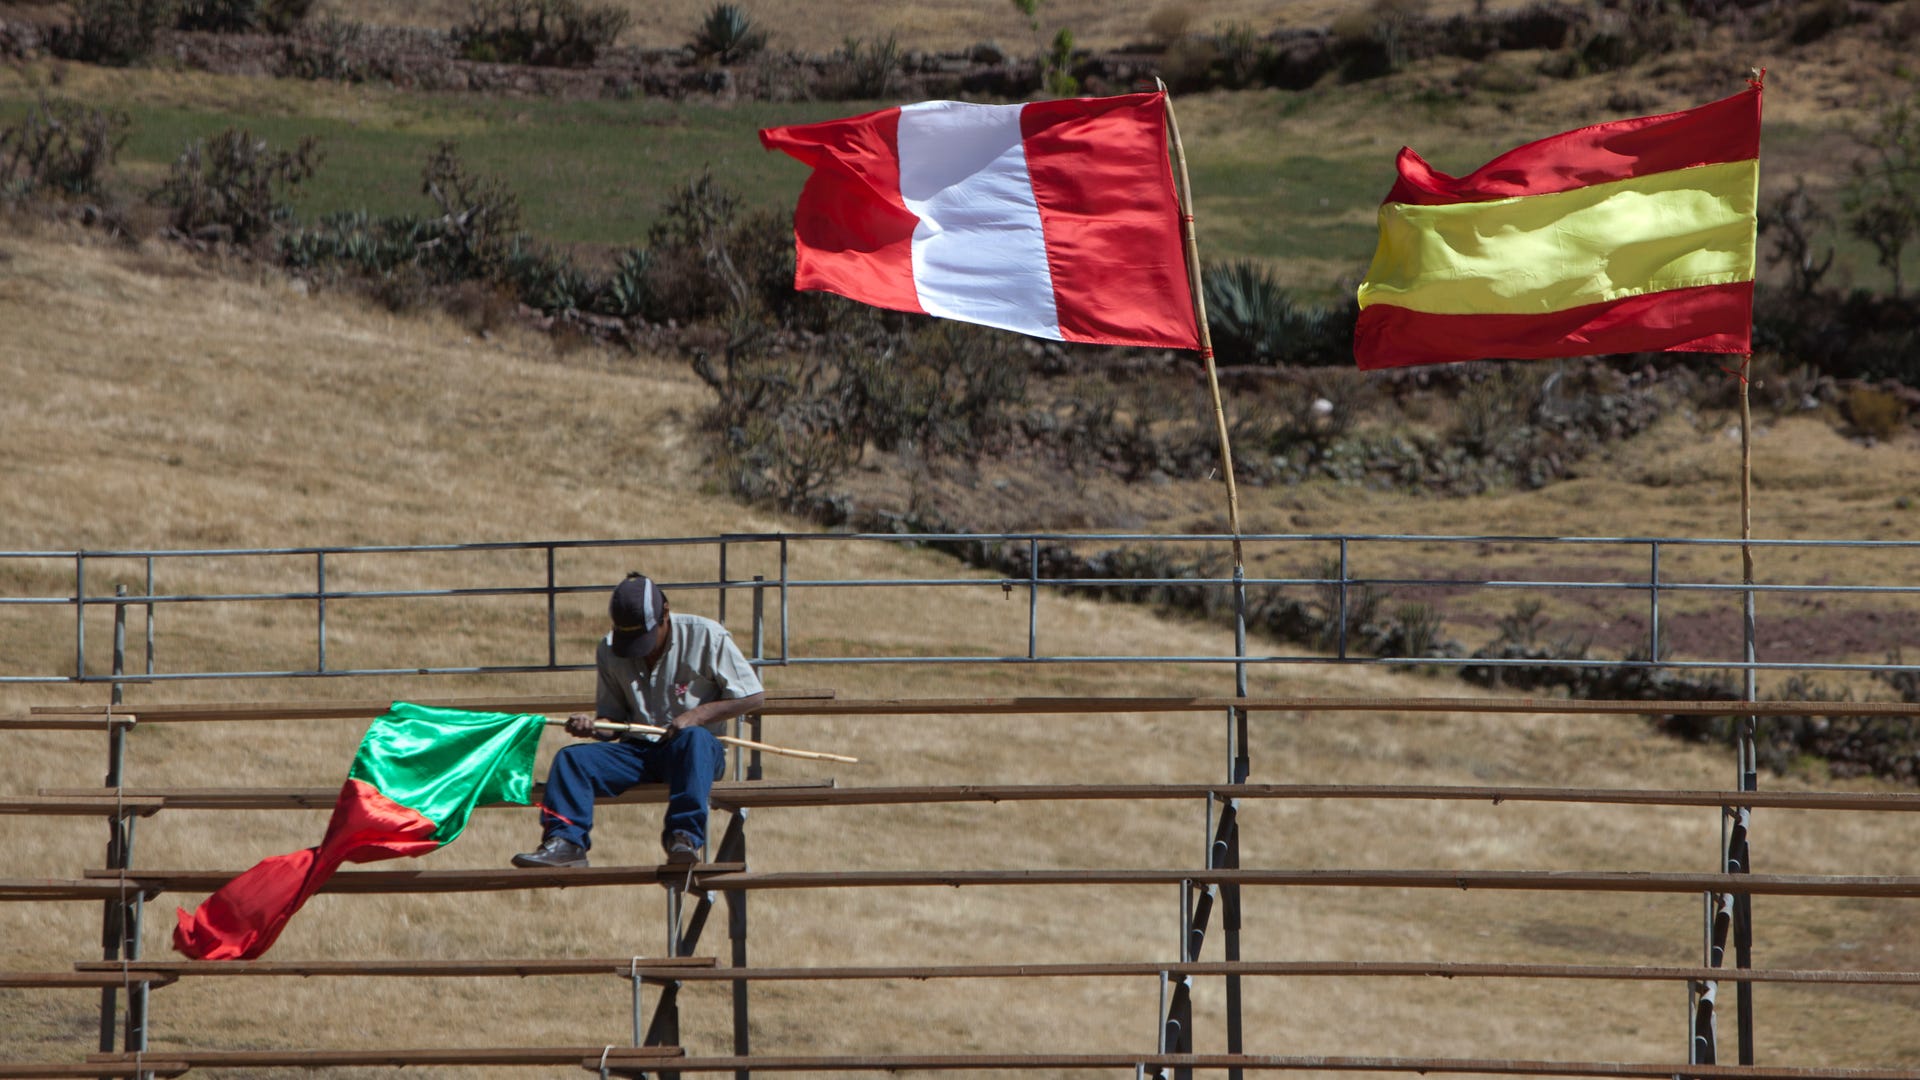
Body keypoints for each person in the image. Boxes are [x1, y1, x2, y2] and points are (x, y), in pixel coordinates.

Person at [512, 572, 765, 869]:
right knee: (571, 760)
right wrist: (595, 727)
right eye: (629, 640)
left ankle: (683, 838)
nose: (638, 649)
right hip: (637, 752)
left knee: (693, 739)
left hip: (693, 754)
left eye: (643, 638)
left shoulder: (707, 635)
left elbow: (753, 696)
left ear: (665, 614)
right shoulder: (608, 648)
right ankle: (566, 842)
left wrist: (696, 716)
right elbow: (613, 718)